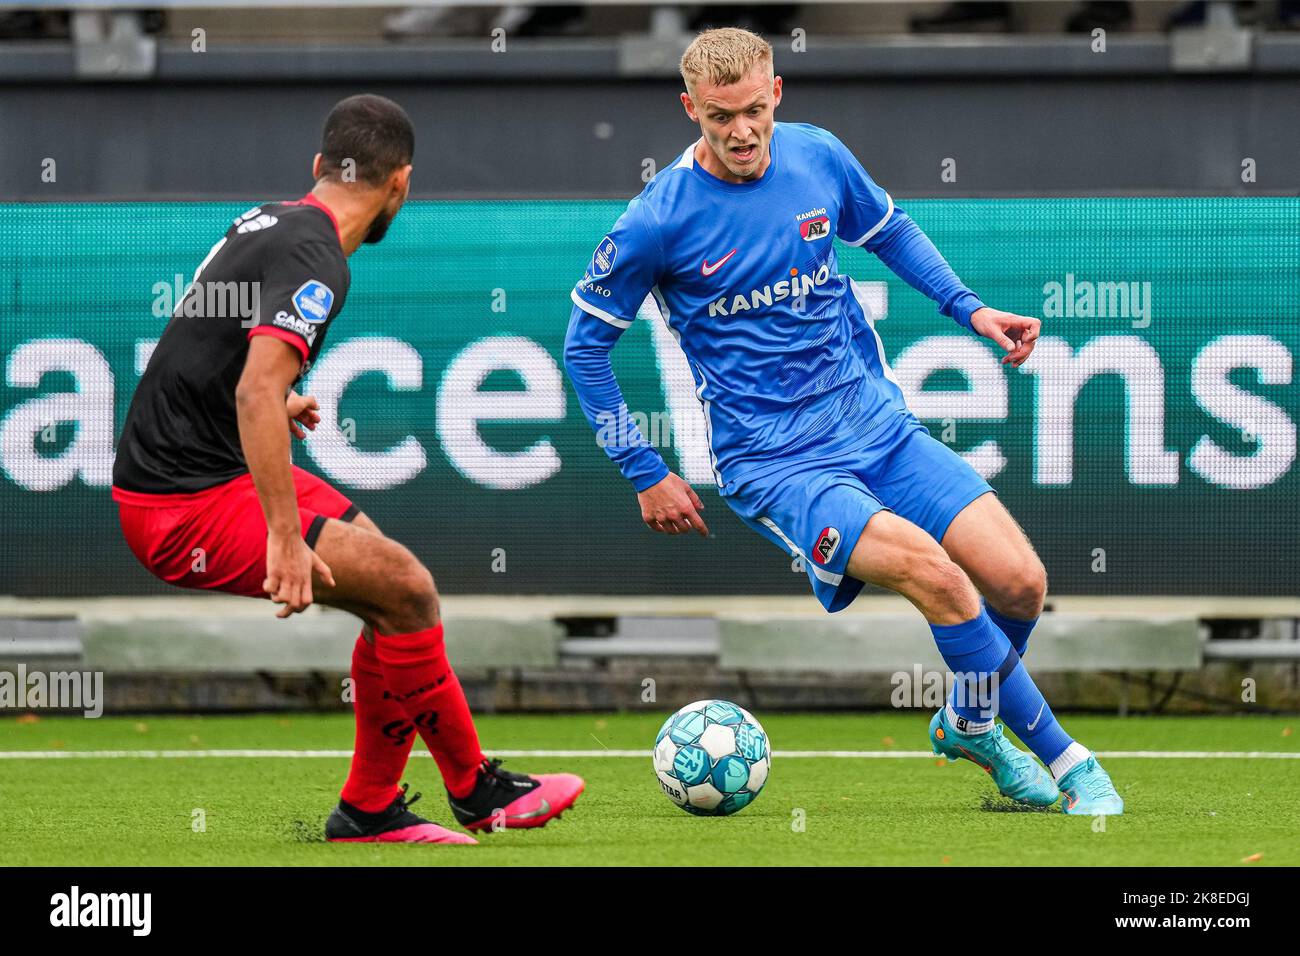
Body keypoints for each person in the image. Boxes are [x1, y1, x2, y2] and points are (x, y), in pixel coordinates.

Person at [564, 28, 1122, 815]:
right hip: (776, 464)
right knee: (937, 575)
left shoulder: (816, 154)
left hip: (876, 427)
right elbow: (584, 351)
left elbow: (889, 230)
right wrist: (645, 471)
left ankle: (968, 719)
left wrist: (969, 308)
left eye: (755, 109)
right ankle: (1070, 761)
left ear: (777, 93)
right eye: (720, 117)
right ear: (690, 109)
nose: (742, 131)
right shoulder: (655, 222)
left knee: (1021, 584)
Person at [113, 94, 583, 844]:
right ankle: (477, 791)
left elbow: (216, 350)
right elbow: (251, 389)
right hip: (181, 504)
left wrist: (281, 399)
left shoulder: (273, 218)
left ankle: (370, 808)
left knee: (393, 596)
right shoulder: (317, 257)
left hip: (202, 469)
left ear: (318, 169)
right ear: (401, 183)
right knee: (407, 589)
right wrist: (284, 537)